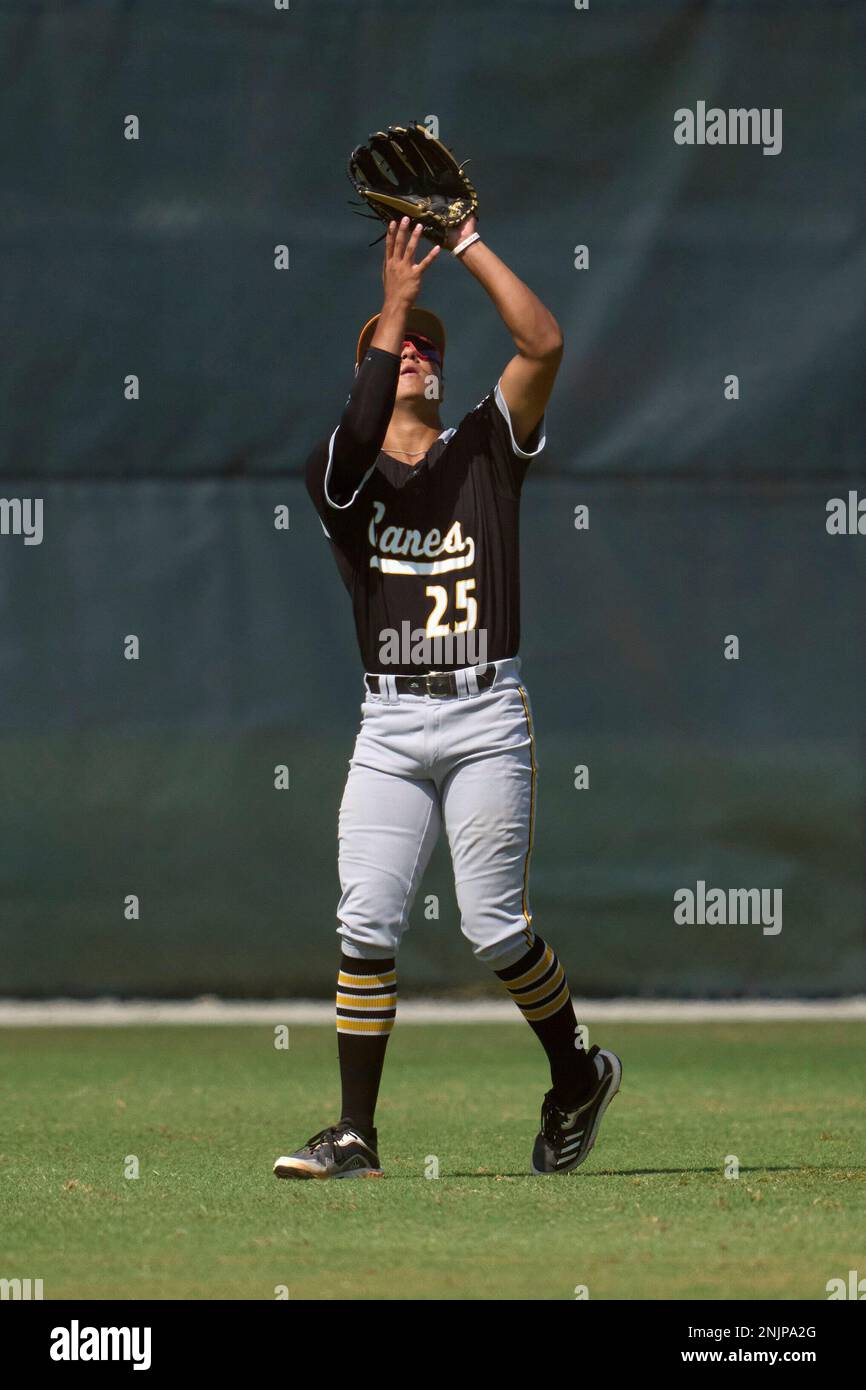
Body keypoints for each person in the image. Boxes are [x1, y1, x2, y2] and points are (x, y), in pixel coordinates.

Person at [274, 213, 621, 1180]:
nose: (418, 352)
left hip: (481, 714)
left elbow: (542, 340)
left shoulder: (485, 445)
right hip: (388, 722)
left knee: (493, 928)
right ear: (368, 374)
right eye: (399, 348)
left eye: (430, 344)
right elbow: (355, 431)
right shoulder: (338, 475)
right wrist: (390, 305)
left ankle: (577, 1075)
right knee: (365, 919)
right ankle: (355, 1135)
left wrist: (465, 240)